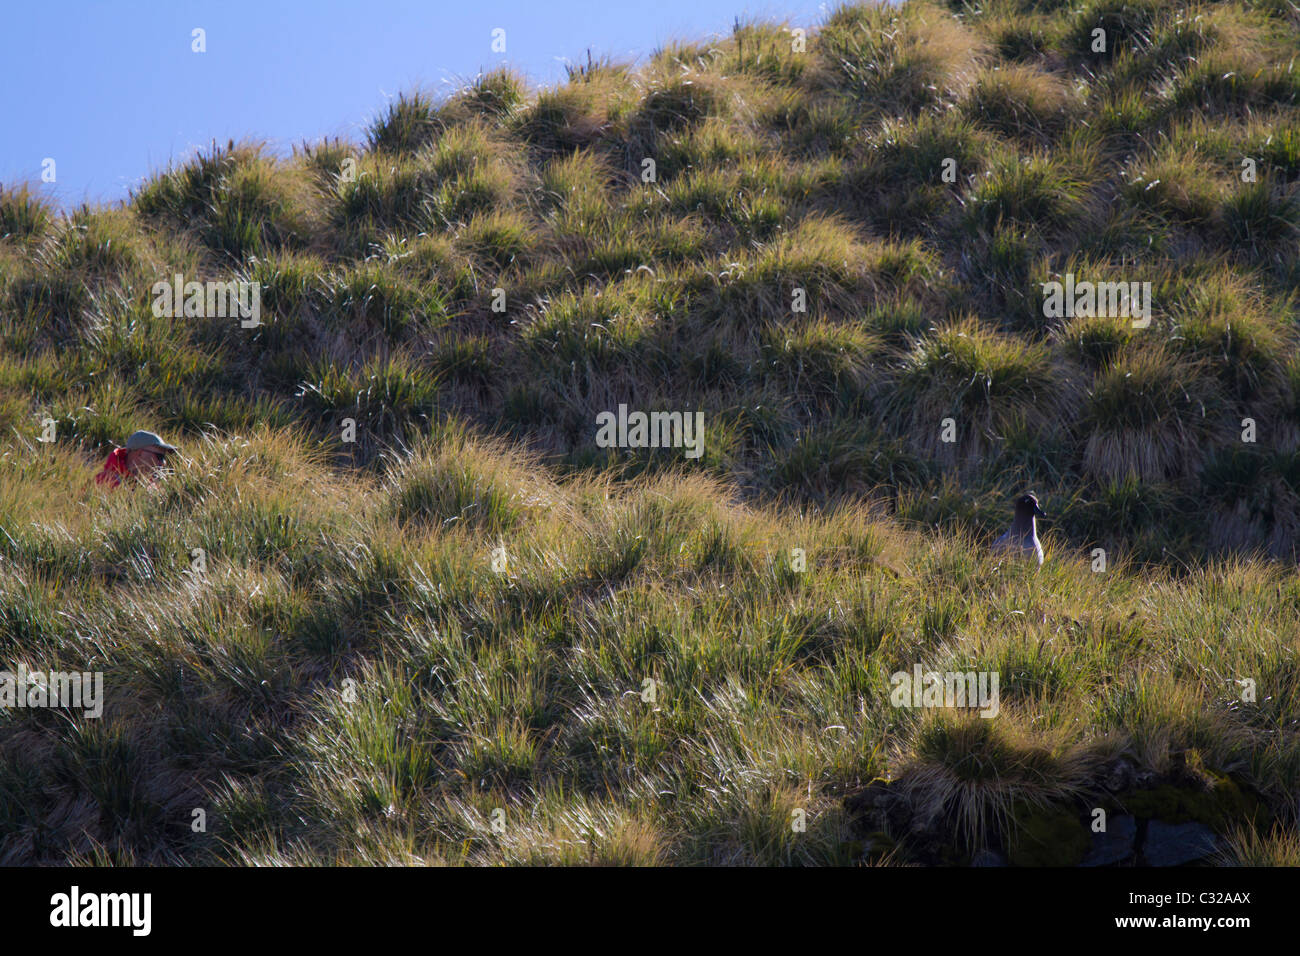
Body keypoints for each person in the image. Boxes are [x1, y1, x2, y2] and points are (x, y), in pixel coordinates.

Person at [94, 430, 178, 488]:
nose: (163, 463)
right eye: (159, 457)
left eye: (164, 458)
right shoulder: (104, 481)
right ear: (139, 453)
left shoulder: (153, 487)